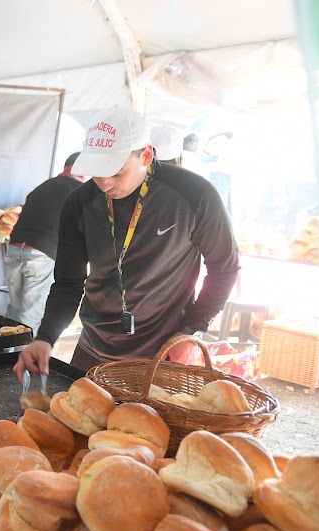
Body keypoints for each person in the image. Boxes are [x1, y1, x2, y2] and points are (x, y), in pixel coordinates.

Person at [14, 107, 240, 380]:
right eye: (96, 172)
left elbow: (225, 268)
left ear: (146, 155)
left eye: (116, 172)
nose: (105, 183)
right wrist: (46, 337)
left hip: (163, 352)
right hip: (94, 347)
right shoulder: (79, 203)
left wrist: (193, 330)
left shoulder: (194, 195)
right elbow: (68, 284)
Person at [4, 152, 83, 333]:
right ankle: (19, 359)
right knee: (30, 315)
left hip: (13, 249)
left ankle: (2, 352)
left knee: (13, 309)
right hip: (41, 254)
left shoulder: (42, 186)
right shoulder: (80, 191)